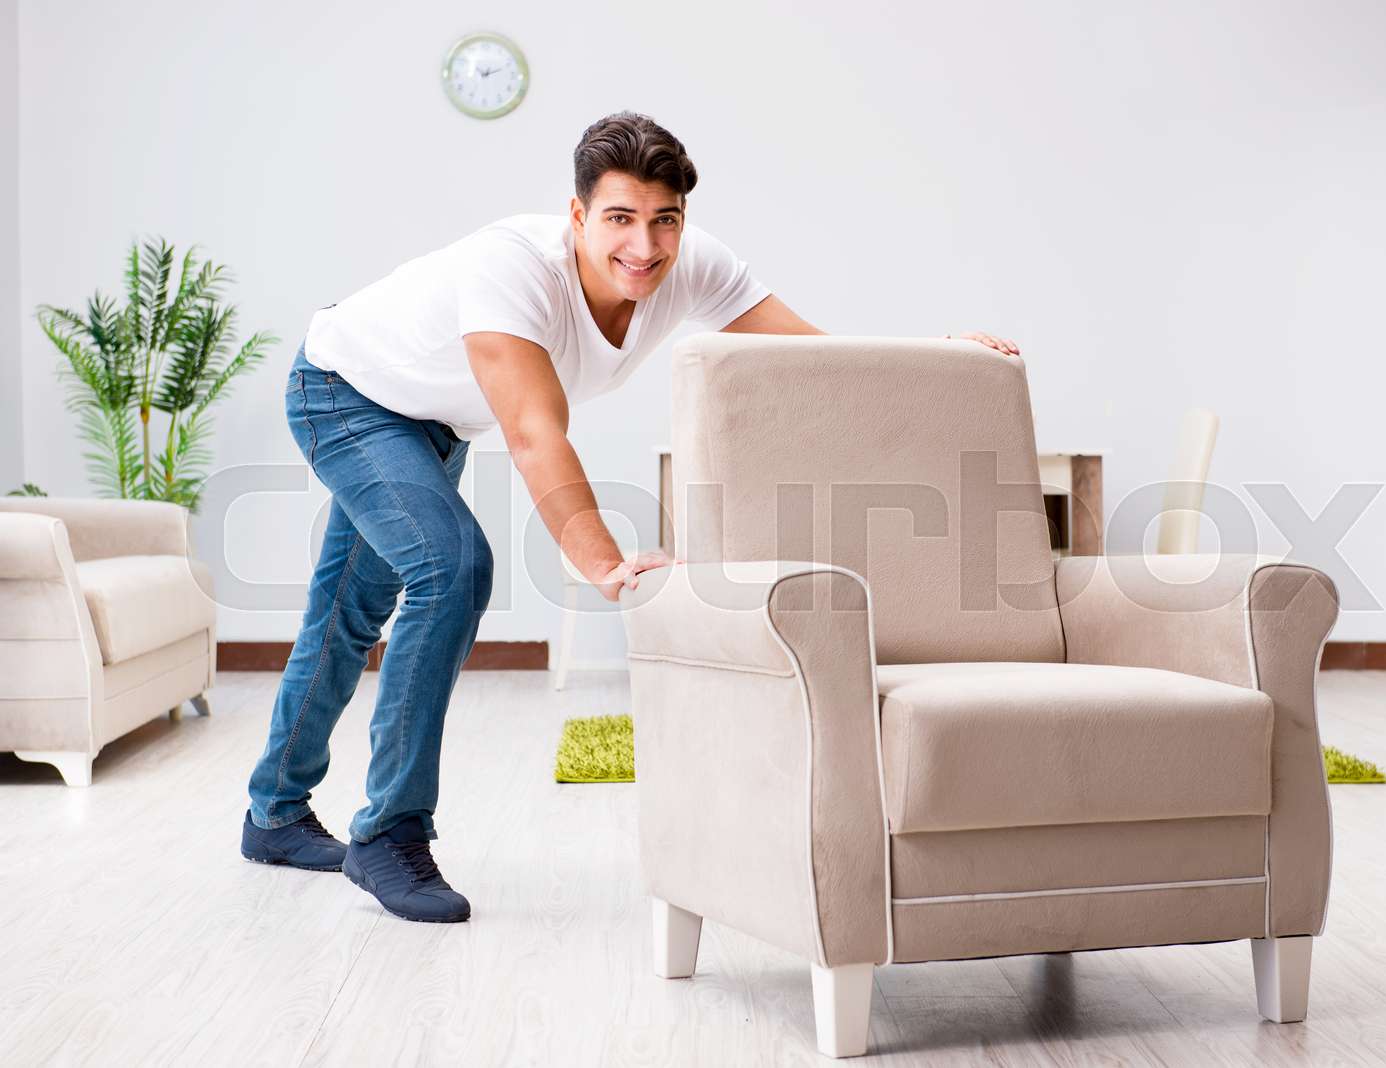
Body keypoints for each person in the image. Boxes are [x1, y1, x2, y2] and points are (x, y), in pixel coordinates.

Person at [239, 110, 1022, 923]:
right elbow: (536, 435)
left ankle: (274, 814)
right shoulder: (509, 269)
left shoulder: (690, 266)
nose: (643, 248)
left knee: (349, 610)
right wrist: (604, 562)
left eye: (664, 222)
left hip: (430, 423)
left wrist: (945, 356)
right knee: (453, 567)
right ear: (577, 216)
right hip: (344, 392)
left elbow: (812, 361)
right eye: (619, 219)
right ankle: (390, 832)